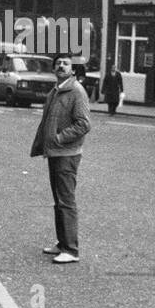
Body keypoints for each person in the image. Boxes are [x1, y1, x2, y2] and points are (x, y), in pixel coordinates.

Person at [30, 54, 90, 264]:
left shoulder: (76, 91)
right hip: (55, 152)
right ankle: (62, 242)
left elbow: (83, 124)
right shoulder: (57, 90)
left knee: (66, 201)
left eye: (66, 64)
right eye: (58, 64)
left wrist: (58, 139)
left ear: (73, 70)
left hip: (67, 154)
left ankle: (71, 250)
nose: (61, 66)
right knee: (59, 201)